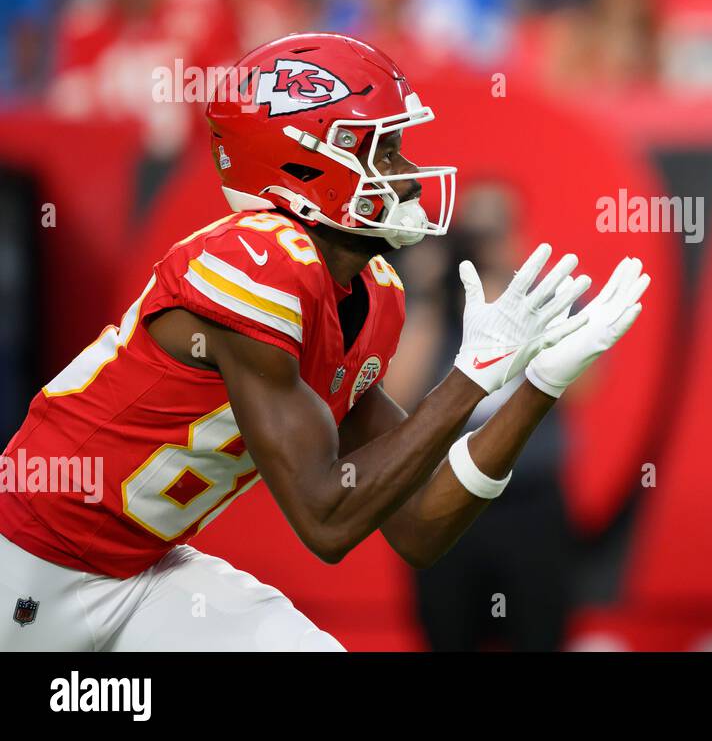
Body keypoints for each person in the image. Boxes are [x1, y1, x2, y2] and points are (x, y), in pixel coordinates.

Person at [0, 32, 650, 650]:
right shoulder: (256, 260)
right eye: (384, 150)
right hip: (33, 564)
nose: (408, 172)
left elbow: (420, 525)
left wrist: (537, 386)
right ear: (305, 163)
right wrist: (472, 376)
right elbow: (327, 519)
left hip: (144, 567)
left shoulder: (371, 293)